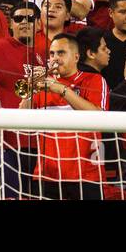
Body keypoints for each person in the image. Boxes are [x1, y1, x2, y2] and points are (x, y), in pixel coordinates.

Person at [19, 31, 109, 200]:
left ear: (76, 57)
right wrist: (30, 91)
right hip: (46, 174)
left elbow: (99, 117)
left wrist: (61, 89)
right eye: (52, 53)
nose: (55, 58)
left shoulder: (94, 80)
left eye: (61, 53)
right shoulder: (44, 83)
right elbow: (23, 123)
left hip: (86, 175)